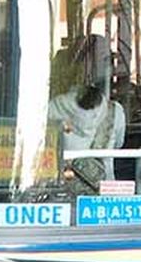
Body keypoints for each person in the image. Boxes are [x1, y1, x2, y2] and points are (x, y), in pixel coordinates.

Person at [47, 34, 126, 186]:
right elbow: (119, 144)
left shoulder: (52, 108)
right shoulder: (116, 112)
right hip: (103, 194)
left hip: (62, 190)